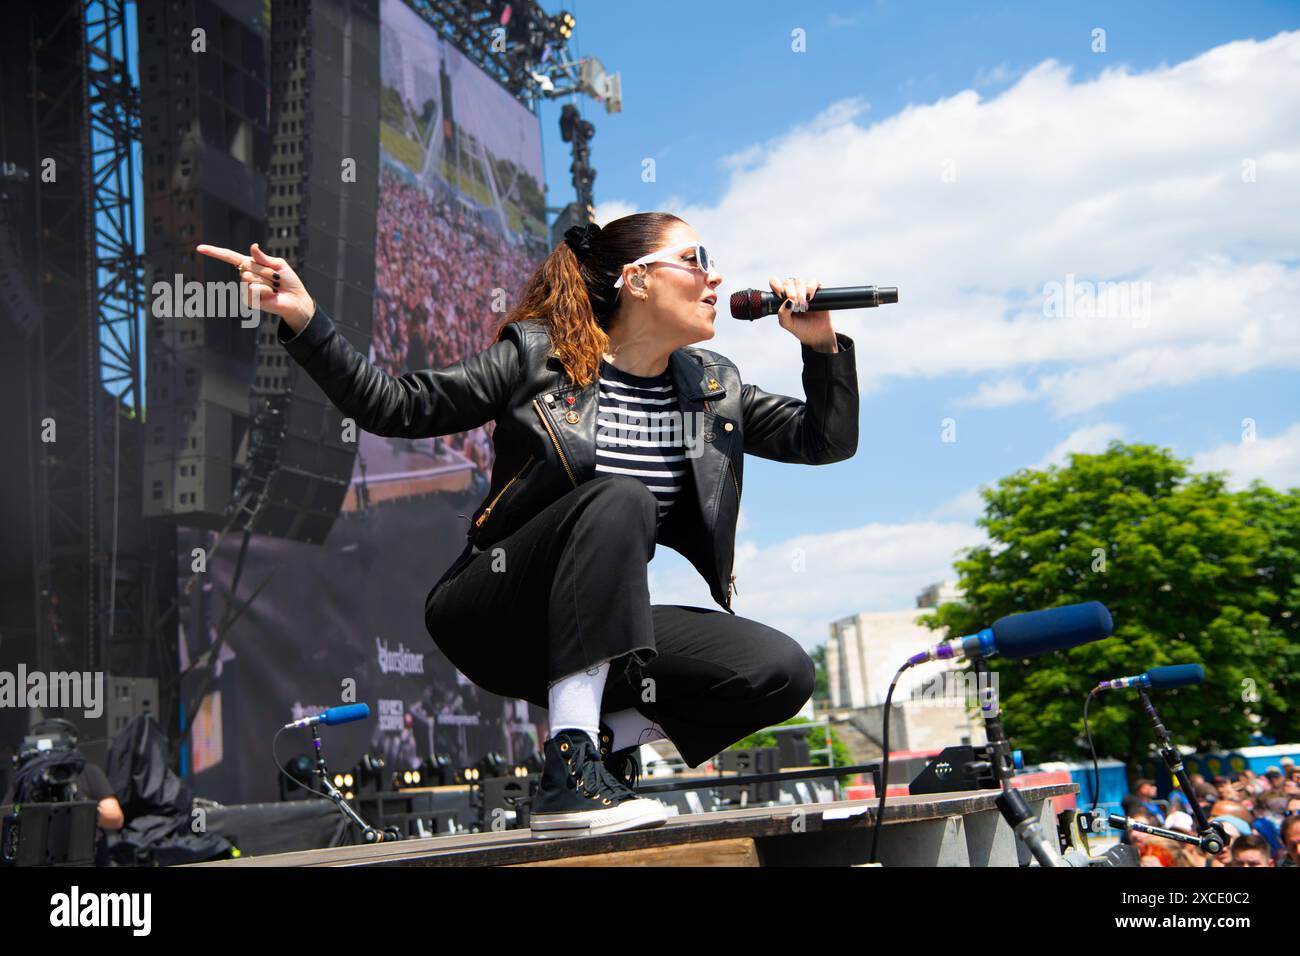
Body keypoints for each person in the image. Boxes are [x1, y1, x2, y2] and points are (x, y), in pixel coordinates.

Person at [196, 212, 858, 839]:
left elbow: (823, 441)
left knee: (780, 671)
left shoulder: (713, 387)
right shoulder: (539, 357)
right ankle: (569, 765)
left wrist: (822, 346)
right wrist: (305, 320)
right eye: (695, 260)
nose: (715, 277)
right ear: (637, 279)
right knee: (621, 498)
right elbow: (398, 405)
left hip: (593, 626)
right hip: (494, 612)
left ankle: (608, 743)